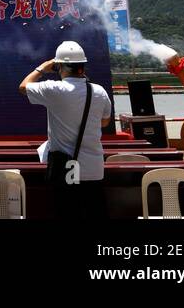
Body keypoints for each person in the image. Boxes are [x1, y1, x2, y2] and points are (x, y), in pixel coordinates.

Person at [18, 40, 113, 220]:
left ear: (59, 66)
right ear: (82, 67)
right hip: (94, 168)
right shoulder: (99, 91)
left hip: (67, 170)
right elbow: (104, 122)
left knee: (67, 213)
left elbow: (23, 87)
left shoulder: (55, 90)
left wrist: (43, 68)